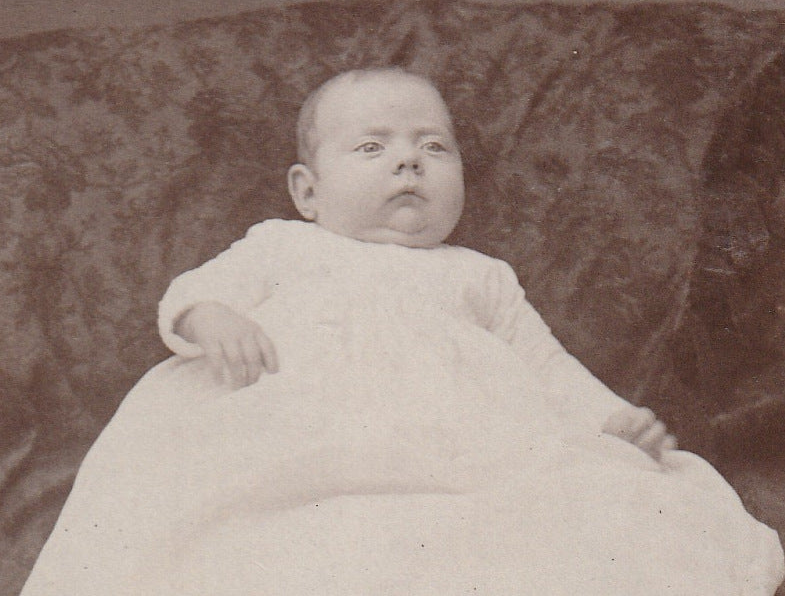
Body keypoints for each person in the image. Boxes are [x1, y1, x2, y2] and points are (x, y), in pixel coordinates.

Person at [21, 68, 784, 595]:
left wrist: (611, 420)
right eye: (372, 147)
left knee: (559, 521)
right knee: (233, 533)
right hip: (295, 428)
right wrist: (207, 318)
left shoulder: (478, 274)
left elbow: (545, 367)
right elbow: (195, 289)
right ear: (308, 191)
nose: (408, 163)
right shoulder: (284, 245)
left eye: (433, 146)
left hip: (450, 442)